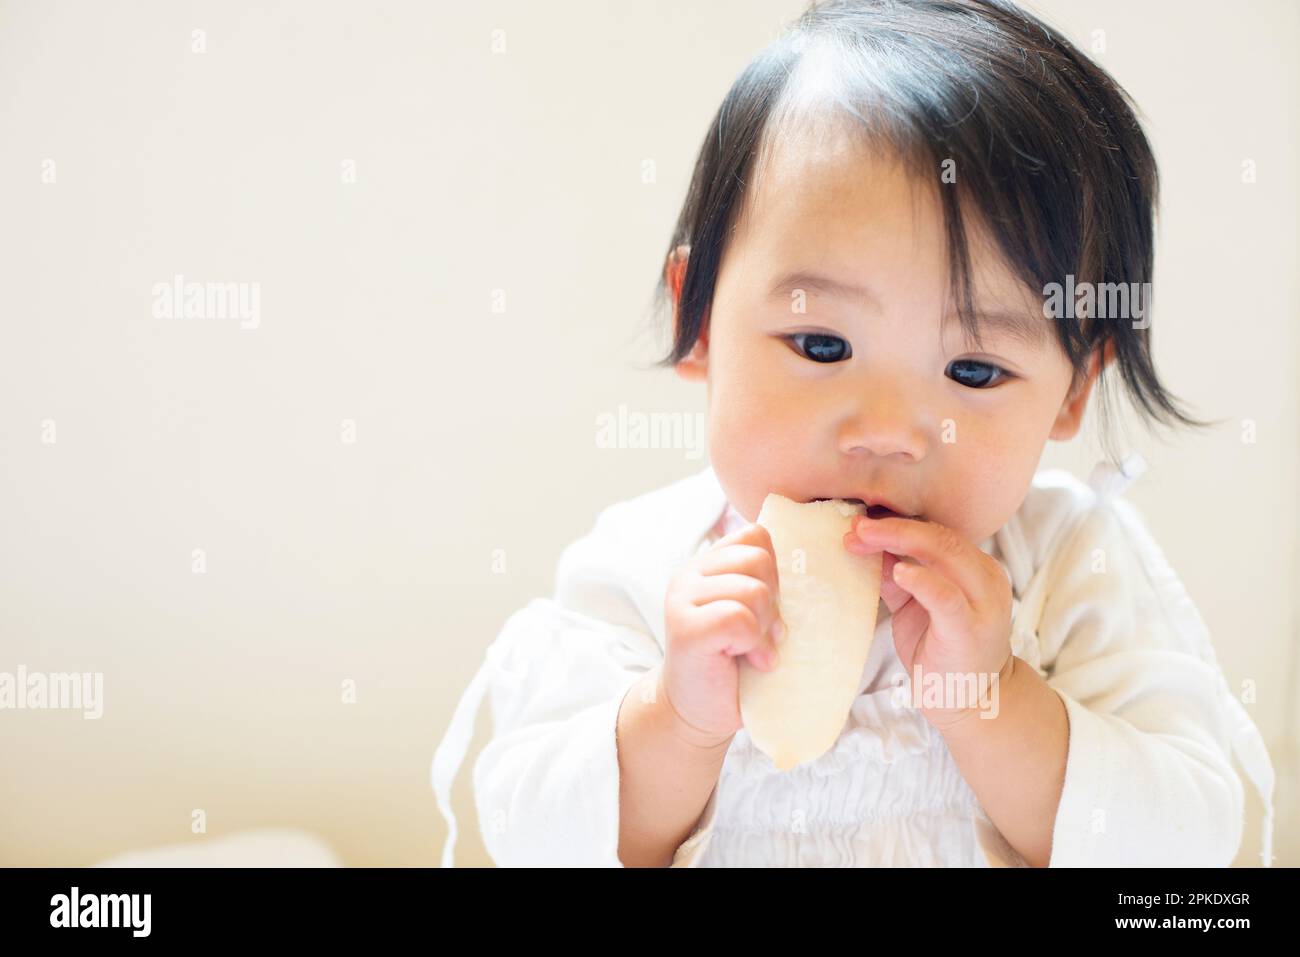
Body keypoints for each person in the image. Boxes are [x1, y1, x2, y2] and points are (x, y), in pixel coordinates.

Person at [432, 0, 1275, 867]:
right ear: (702, 322)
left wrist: (991, 698)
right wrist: (676, 721)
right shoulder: (648, 573)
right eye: (822, 344)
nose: (887, 432)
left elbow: (1184, 853)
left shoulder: (1069, 567)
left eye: (974, 371)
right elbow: (533, 837)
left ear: (1071, 394)